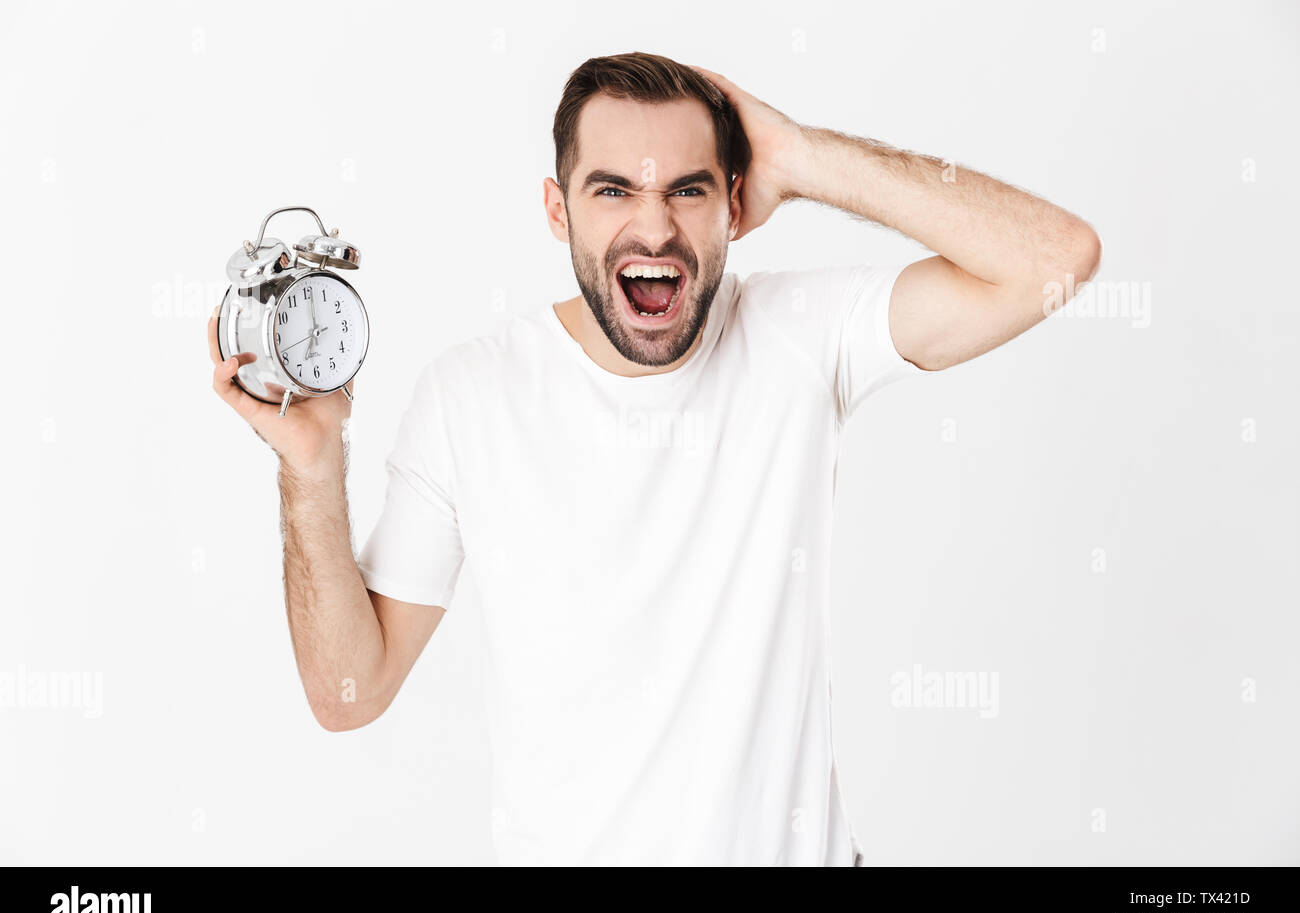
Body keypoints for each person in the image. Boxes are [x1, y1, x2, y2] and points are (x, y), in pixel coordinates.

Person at [207, 51, 1100, 866]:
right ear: (556, 210)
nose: (654, 228)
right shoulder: (470, 396)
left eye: (687, 190)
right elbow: (349, 693)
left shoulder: (801, 336)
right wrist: (312, 473)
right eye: (611, 192)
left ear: (736, 206)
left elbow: (1055, 259)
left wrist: (801, 153)